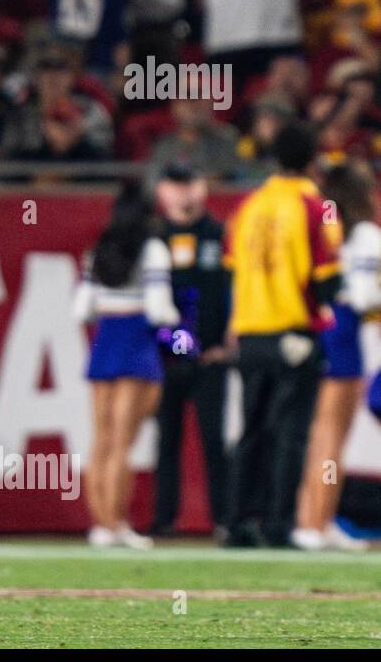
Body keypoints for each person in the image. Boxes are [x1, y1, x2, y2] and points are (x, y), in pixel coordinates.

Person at [224, 121, 341, 548]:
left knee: (251, 429)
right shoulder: (316, 207)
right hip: (294, 333)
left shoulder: (249, 206)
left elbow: (231, 269)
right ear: (312, 161)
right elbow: (327, 276)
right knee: (289, 434)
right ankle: (278, 524)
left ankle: (236, 522)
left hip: (251, 333)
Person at [74, 181, 180, 550]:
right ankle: (116, 522)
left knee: (102, 440)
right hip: (137, 343)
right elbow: (157, 308)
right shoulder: (152, 249)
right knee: (122, 443)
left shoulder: (98, 248)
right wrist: (175, 320)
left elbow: (81, 309)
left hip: (105, 341)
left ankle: (102, 524)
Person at [292, 162, 381, 551]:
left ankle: (312, 520)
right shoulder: (364, 235)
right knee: (331, 439)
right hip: (344, 334)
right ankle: (315, 523)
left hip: (319, 327)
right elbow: (363, 295)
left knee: (318, 436)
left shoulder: (322, 230)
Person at [150, 164, 231, 540]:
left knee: (215, 440)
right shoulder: (154, 236)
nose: (184, 194)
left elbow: (237, 290)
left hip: (210, 356)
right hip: (165, 358)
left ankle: (224, 520)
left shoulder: (220, 234)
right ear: (163, 191)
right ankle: (164, 520)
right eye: (176, 185)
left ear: (203, 187)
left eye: (190, 184)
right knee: (166, 440)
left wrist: (231, 338)